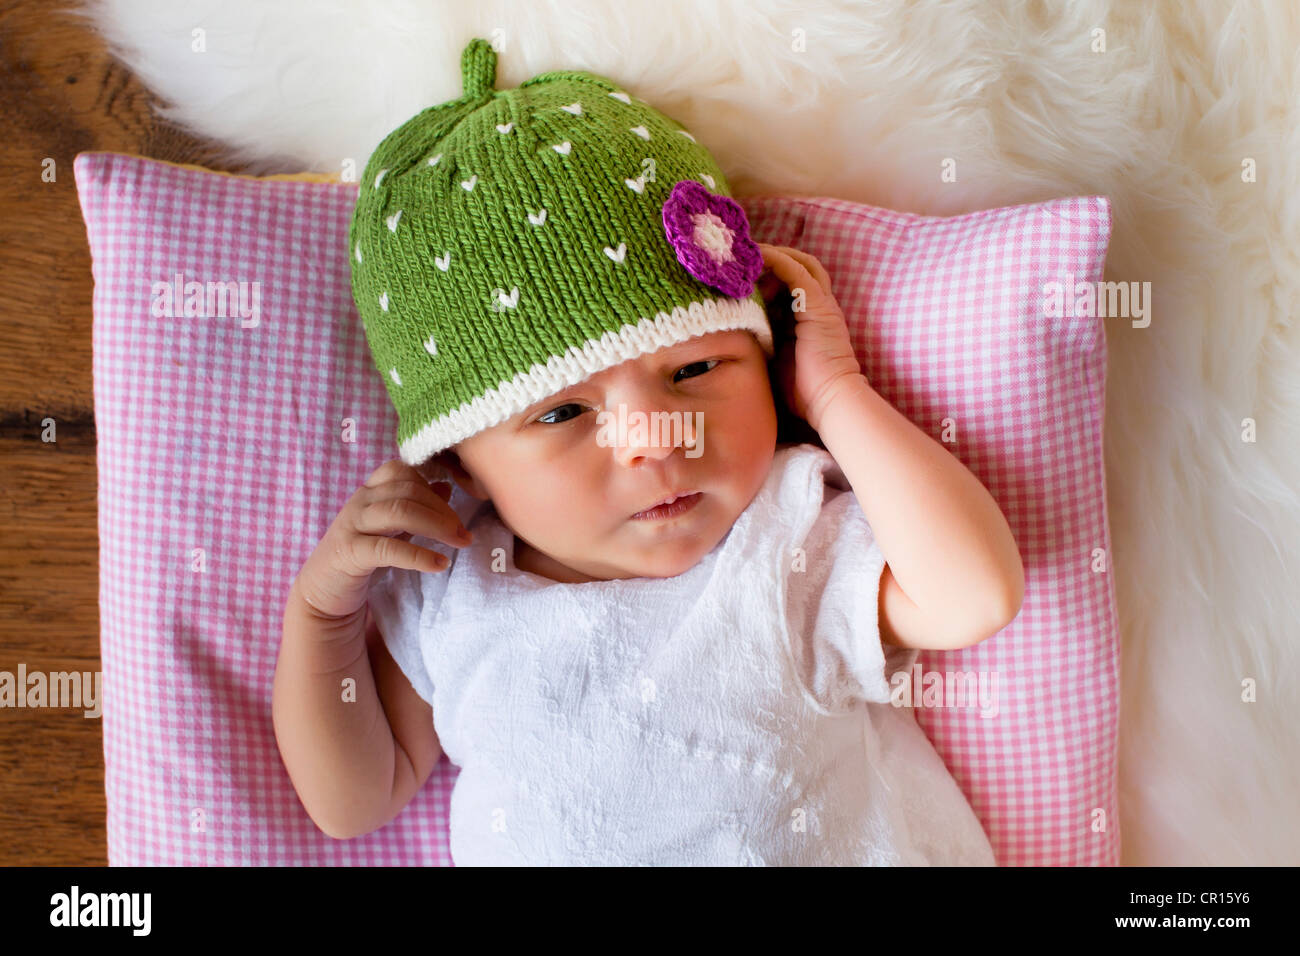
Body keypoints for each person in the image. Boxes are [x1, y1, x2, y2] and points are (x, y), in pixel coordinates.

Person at [272, 38, 1023, 865]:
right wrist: (322, 614)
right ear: (454, 464)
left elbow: (973, 597)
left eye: (697, 369)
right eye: (562, 415)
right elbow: (351, 801)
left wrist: (837, 394)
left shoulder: (782, 543)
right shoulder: (451, 596)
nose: (654, 442)